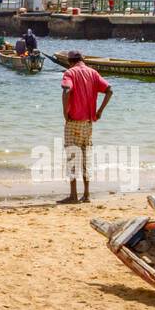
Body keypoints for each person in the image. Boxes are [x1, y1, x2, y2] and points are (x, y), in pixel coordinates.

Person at [59, 50, 113, 204]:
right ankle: (87, 195)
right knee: (86, 157)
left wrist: (65, 112)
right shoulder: (93, 73)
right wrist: (100, 111)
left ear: (70, 61)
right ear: (82, 59)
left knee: (72, 157)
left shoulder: (70, 73)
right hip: (88, 123)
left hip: (73, 122)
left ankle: (73, 196)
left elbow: (67, 90)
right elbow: (109, 90)